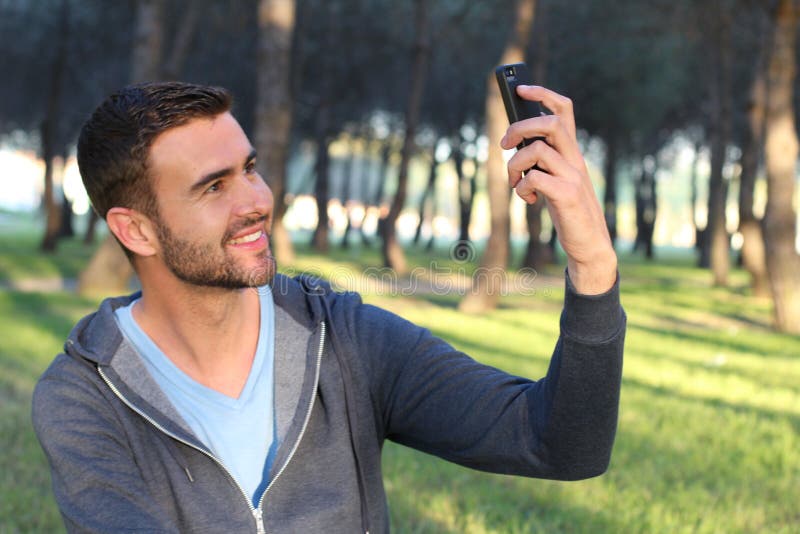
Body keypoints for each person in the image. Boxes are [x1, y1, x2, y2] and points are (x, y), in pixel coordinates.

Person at [32, 81, 625, 534]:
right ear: (135, 230)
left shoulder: (343, 339)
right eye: (214, 187)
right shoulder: (85, 397)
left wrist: (593, 265)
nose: (256, 202)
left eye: (251, 169)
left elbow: (559, 444)